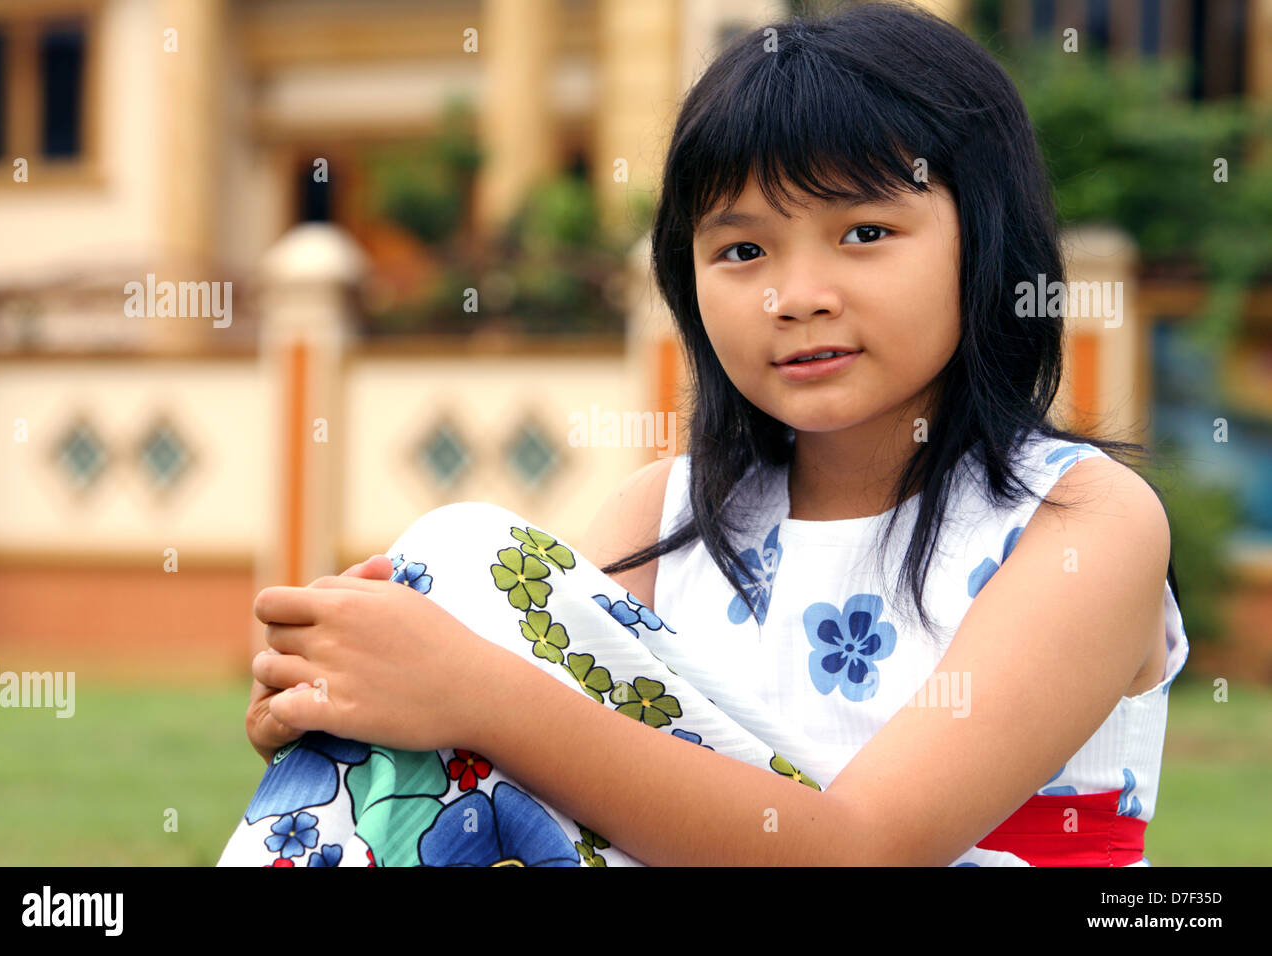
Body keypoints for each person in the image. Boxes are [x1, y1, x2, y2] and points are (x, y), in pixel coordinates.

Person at [223, 0, 1188, 866]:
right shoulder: (666, 512)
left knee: (467, 562)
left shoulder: (1079, 522)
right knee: (451, 576)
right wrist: (358, 713)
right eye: (742, 249)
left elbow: (866, 854)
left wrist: (471, 695)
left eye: (864, 233)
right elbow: (540, 775)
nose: (796, 296)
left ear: (986, 239)